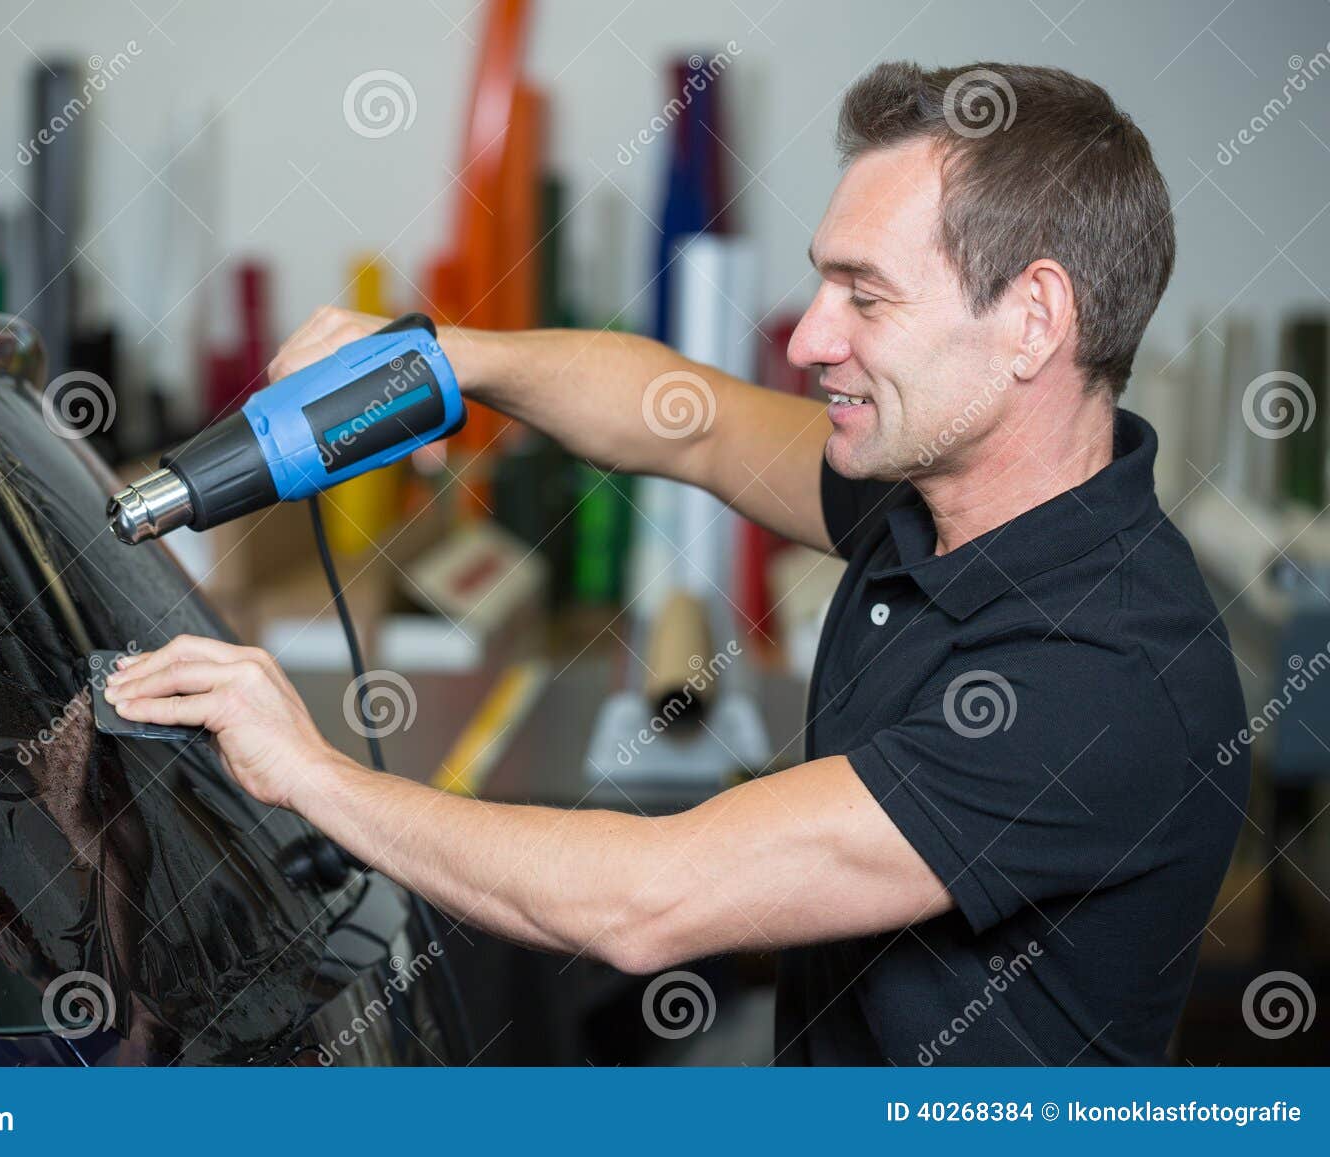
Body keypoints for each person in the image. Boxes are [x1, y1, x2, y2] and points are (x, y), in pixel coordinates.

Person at [105, 61, 1248, 1065]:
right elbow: (685, 418)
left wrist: (307, 771)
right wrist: (439, 358)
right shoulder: (931, 498)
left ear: (1033, 319)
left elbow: (644, 901)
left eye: (866, 294)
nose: (807, 338)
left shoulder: (1099, 668)